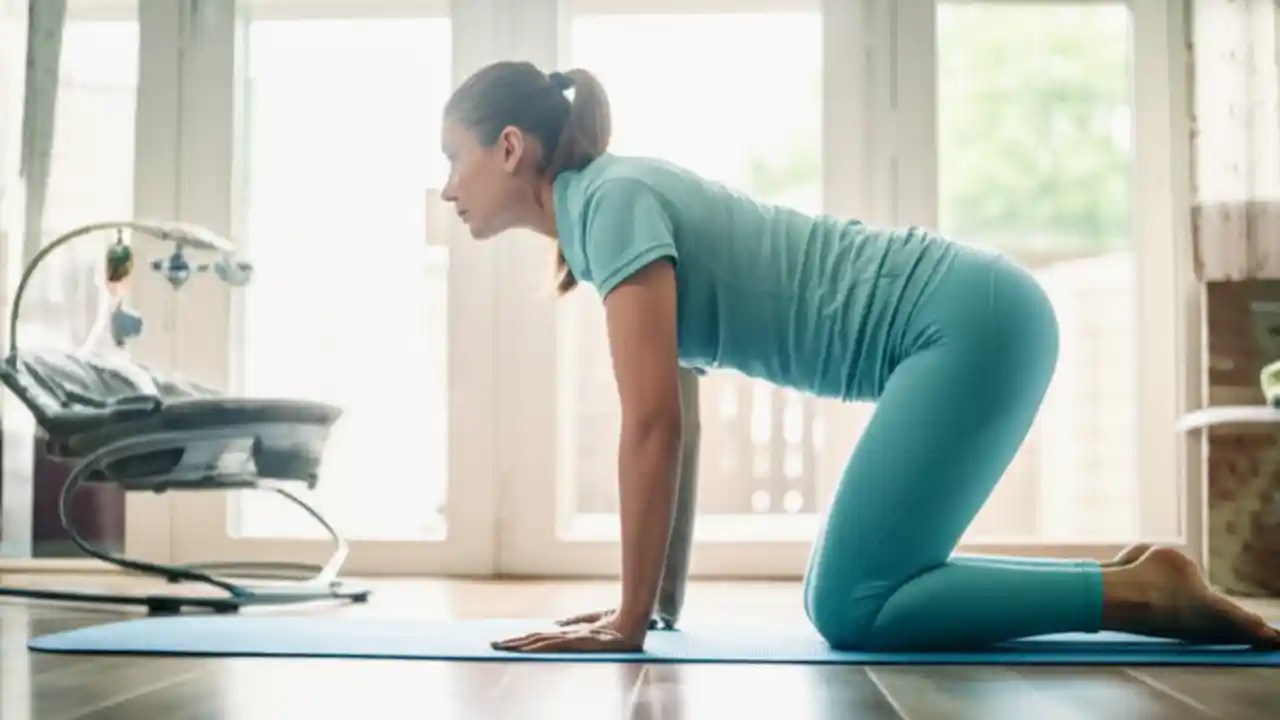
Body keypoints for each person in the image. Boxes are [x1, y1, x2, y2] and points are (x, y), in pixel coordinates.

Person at [438, 60, 1280, 654]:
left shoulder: (611, 204)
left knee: (851, 605)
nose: (446, 188)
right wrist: (649, 610)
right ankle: (1136, 577)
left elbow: (652, 425)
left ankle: (1143, 594)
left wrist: (624, 623)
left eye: (452, 159)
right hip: (974, 317)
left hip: (969, 322)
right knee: (845, 596)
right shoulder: (603, 213)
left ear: (509, 147)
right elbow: (677, 413)